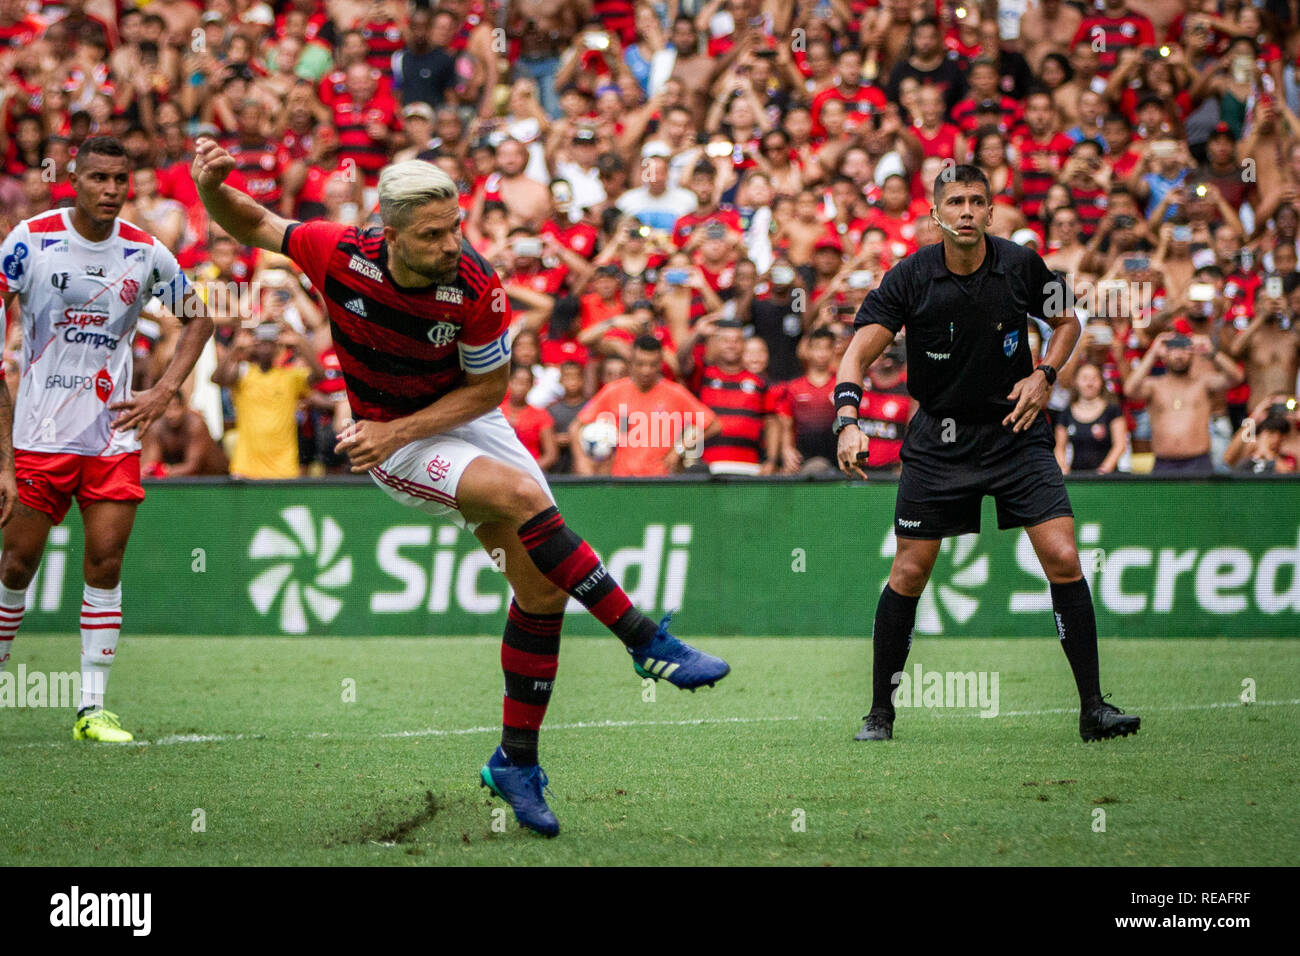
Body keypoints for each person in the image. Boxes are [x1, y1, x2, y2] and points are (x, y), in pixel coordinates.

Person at [193, 143, 730, 837]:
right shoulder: (337, 252)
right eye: (433, 235)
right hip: (395, 443)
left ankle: (516, 763)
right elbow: (255, 222)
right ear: (389, 235)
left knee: (541, 590)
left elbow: (490, 389)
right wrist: (210, 187)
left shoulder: (477, 285)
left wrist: (406, 426)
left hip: (466, 417)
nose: (452, 245)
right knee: (521, 499)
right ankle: (644, 639)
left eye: (456, 227)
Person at [834, 164, 1140, 744]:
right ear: (936, 215)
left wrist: (1046, 373)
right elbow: (854, 358)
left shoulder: (1021, 264)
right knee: (910, 570)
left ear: (992, 211)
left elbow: (1068, 321)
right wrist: (848, 422)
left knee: (1063, 556)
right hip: (937, 441)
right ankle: (880, 713)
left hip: (1015, 431)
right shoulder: (909, 277)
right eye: (956, 202)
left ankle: (1094, 709)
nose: (967, 211)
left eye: (977, 201)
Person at [0, 136, 214, 742]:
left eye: (120, 179)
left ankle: (92, 709)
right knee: (17, 564)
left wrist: (164, 390)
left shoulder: (146, 253)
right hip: (39, 433)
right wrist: (4, 457)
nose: (111, 189)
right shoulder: (30, 241)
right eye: (98, 178)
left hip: (111, 434)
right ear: (74, 180)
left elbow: (200, 316)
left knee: (106, 562)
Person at [572, 335, 718, 477]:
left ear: (660, 363)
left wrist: (678, 450)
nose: (646, 370)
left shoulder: (675, 393)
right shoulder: (613, 391)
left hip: (659, 482)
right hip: (621, 481)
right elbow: (575, 427)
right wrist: (581, 460)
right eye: (640, 364)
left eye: (652, 364)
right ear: (631, 362)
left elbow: (713, 424)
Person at [212, 320, 326, 479]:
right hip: (246, 468)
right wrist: (235, 348)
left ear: (277, 347)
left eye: (270, 343)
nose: (266, 348)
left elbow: (319, 375)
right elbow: (217, 378)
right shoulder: (243, 374)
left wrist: (299, 342)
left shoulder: (290, 376)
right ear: (255, 345)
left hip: (283, 469)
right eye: (261, 343)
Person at [1123, 331, 1244, 475]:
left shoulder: (1203, 383)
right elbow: (1130, 390)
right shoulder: (1154, 386)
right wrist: (1152, 353)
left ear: (1192, 353)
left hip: (1198, 462)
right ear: (1164, 355)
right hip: (1164, 463)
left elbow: (1236, 377)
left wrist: (1212, 352)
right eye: (1173, 350)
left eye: (1184, 350)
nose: (1179, 355)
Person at [1053, 362, 1127, 474]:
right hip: (1077, 477)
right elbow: (1059, 447)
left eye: (1094, 378)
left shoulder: (1112, 410)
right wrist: (1062, 468)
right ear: (1076, 382)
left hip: (1108, 477)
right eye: (1084, 378)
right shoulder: (1066, 412)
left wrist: (1104, 469)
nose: (1089, 383)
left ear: (1101, 382)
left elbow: (1120, 444)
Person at [140, 393, 230, 477]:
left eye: (175, 408)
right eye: (167, 409)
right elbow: (151, 464)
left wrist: (165, 471)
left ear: (184, 407)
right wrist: (150, 471)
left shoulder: (196, 425)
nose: (171, 414)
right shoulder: (157, 428)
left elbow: (193, 467)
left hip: (213, 478)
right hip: (179, 482)